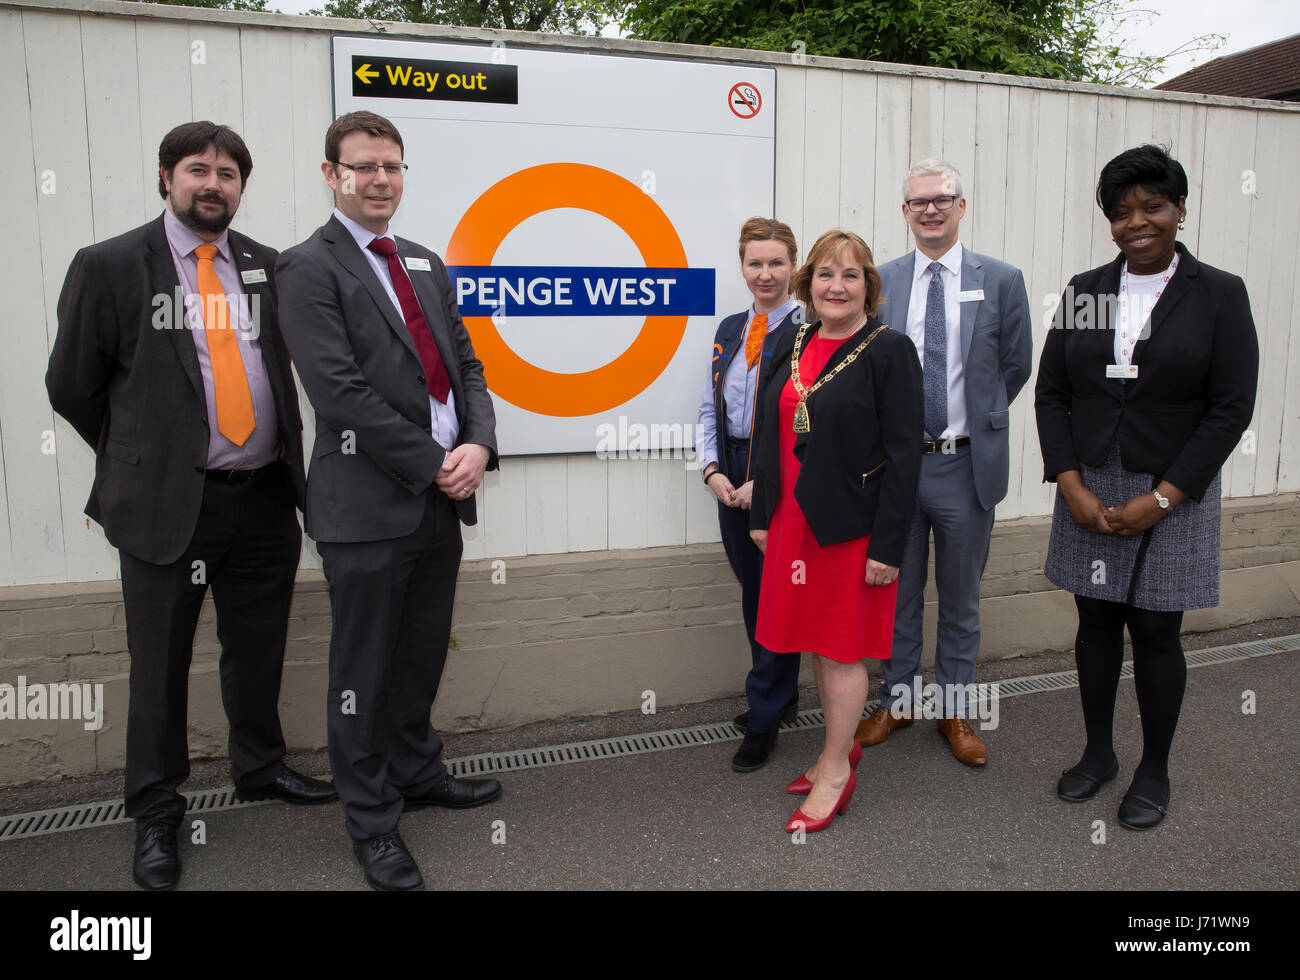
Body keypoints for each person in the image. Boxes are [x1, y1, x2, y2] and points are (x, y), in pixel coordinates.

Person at [45, 121, 336, 891]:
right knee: (160, 662)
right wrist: (146, 455)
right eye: (197, 170)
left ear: (243, 186)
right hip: (167, 506)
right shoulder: (110, 266)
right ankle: (154, 810)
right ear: (166, 179)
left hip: (265, 497)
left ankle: (260, 767)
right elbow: (73, 385)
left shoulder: (268, 268)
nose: (214, 184)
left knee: (257, 647)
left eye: (229, 173)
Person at [276, 111, 501, 890]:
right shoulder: (306, 268)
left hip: (438, 502)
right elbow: (339, 395)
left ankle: (417, 773)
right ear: (331, 173)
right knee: (362, 673)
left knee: (418, 657)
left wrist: (477, 445)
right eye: (364, 166)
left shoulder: (425, 262)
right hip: (367, 507)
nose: (380, 180)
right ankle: (371, 822)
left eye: (392, 166)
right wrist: (438, 461)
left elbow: (468, 366)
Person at [1035, 143, 1258, 830]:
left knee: (1157, 632)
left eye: (1152, 207)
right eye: (1122, 211)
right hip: (1091, 481)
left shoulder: (1219, 293)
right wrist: (1070, 483)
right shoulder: (1085, 289)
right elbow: (1051, 394)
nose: (1137, 222)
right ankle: (1098, 752)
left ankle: (1153, 768)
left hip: (1175, 487)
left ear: (1179, 210)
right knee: (1096, 623)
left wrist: (1165, 496)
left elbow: (1231, 408)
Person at [749, 230, 923, 833]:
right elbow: (768, 434)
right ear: (808, 282)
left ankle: (833, 771)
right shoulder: (792, 340)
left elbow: (906, 457)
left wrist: (888, 547)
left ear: (868, 286)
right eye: (826, 274)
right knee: (816, 641)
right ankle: (837, 748)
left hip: (851, 528)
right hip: (793, 523)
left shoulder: (889, 349)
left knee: (843, 647)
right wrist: (761, 514)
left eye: (850, 276)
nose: (836, 286)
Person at [864, 159, 1033, 765]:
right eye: (918, 202)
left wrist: (974, 420)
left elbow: (1014, 367)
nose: (930, 209)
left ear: (962, 206)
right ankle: (900, 699)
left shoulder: (1004, 280)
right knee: (896, 594)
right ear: (905, 213)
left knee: (961, 598)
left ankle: (956, 710)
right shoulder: (881, 282)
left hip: (966, 468)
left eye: (942, 199)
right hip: (899, 471)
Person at [695, 217, 803, 773]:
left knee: (775, 595)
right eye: (755, 263)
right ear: (742, 266)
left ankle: (762, 718)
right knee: (752, 589)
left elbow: (807, 422)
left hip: (778, 473)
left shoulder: (808, 332)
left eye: (777, 262)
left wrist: (768, 478)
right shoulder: (729, 328)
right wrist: (713, 468)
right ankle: (781, 694)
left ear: (794, 266)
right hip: (730, 467)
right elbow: (709, 406)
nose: (766, 273)